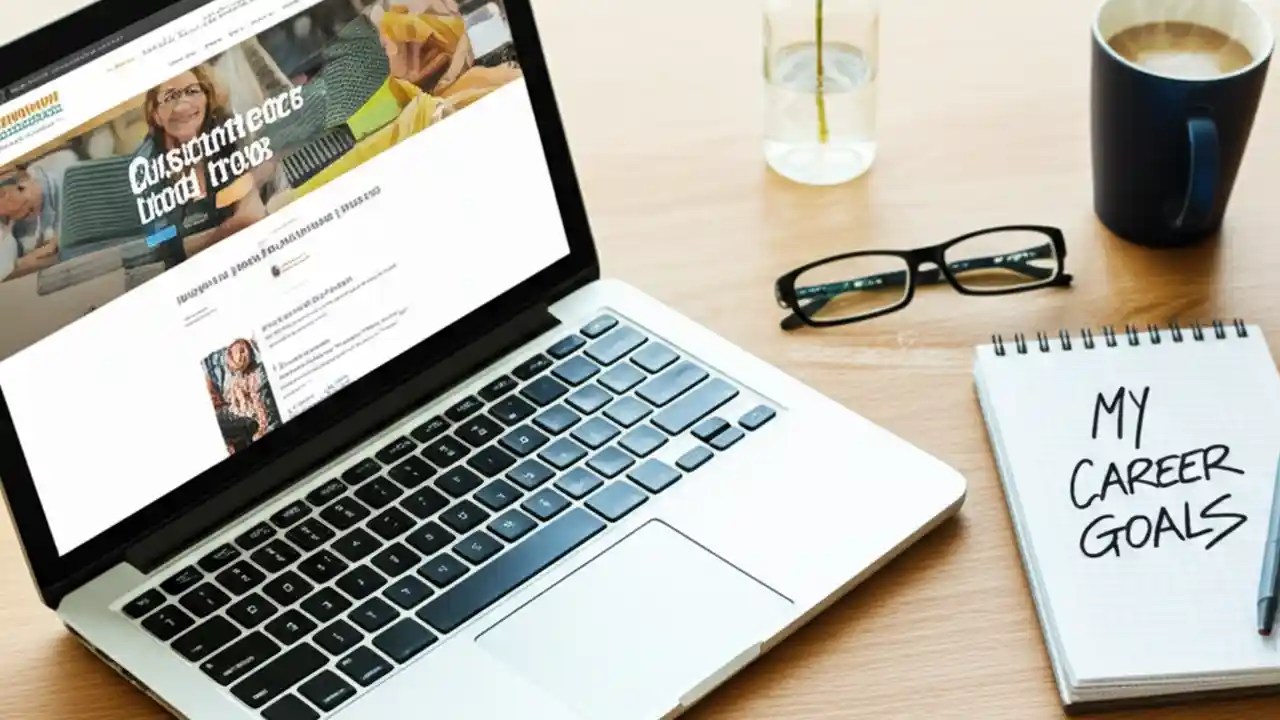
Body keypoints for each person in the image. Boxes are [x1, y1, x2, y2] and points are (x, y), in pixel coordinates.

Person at [136, 66, 267, 268]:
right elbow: (157, 241)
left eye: (192, 91)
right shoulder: (145, 164)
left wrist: (200, 240)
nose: (182, 105)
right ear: (155, 114)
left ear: (207, 98)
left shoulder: (223, 130)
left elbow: (253, 213)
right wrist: (229, 228)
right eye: (170, 97)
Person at [0, 150, 78, 281]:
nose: (17, 217)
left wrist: (55, 245)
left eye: (27, 209)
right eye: (9, 217)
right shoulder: (17, 233)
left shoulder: (64, 167)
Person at [220, 339, 277, 446]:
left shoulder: (256, 374)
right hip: (240, 413)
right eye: (241, 351)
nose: (244, 354)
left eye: (246, 351)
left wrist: (263, 427)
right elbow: (227, 397)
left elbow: (259, 402)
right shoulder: (232, 378)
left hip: (257, 415)